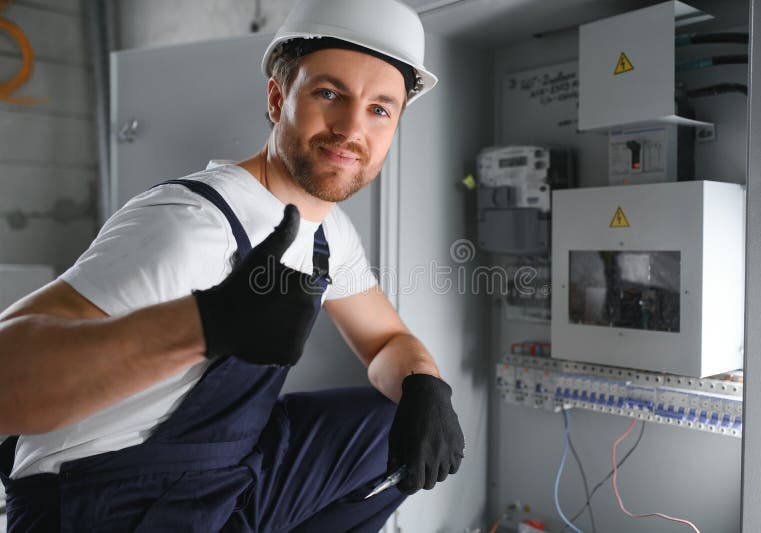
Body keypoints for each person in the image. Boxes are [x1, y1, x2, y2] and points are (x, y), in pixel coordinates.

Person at [0, 0, 465, 530]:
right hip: (101, 496)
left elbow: (386, 342)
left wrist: (425, 386)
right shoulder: (192, 224)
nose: (351, 128)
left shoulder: (327, 232)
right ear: (277, 98)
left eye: (380, 109)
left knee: (394, 426)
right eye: (329, 93)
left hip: (224, 475)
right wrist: (204, 325)